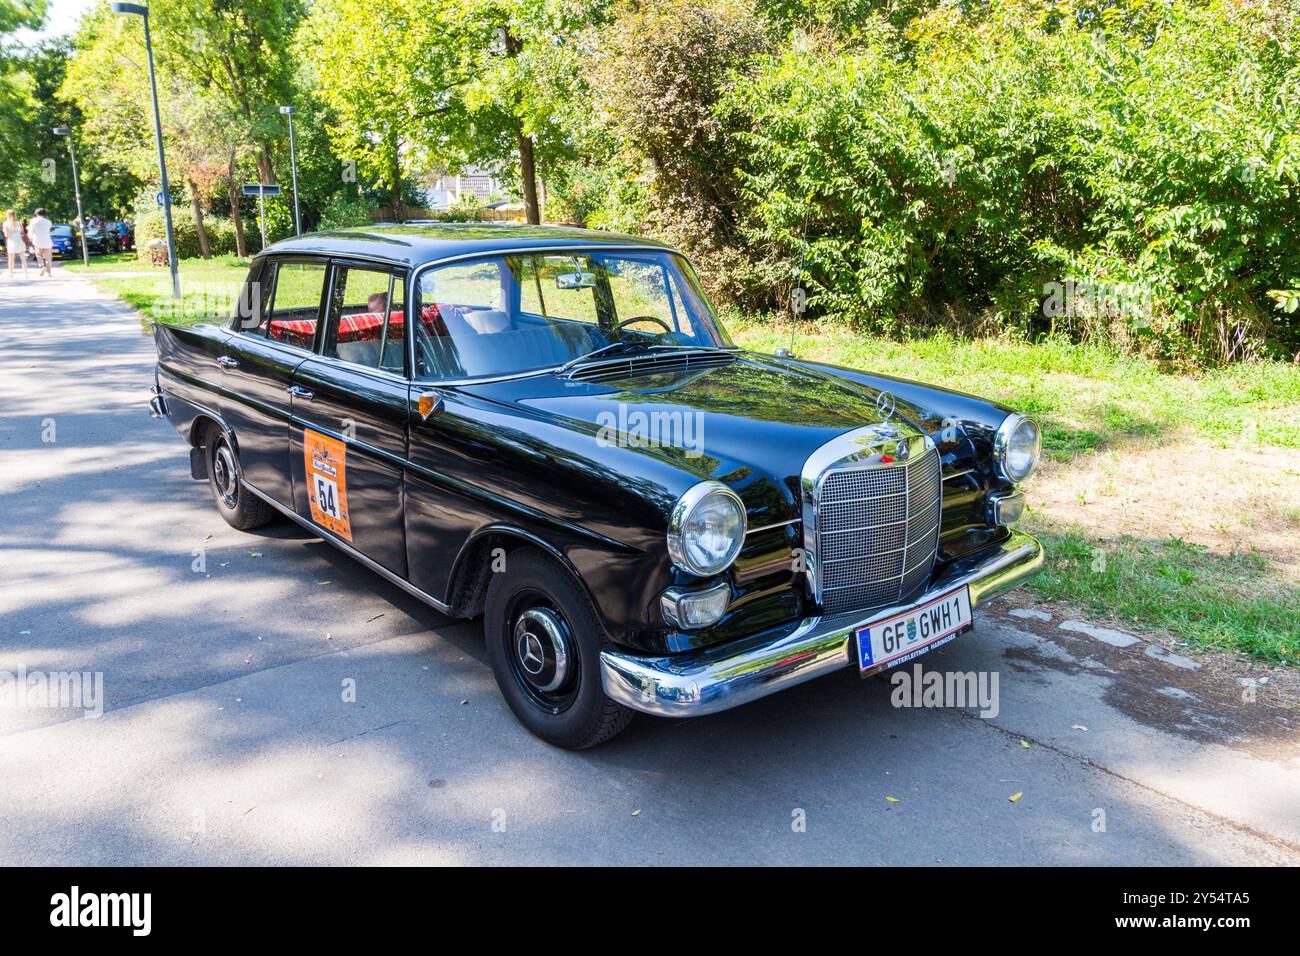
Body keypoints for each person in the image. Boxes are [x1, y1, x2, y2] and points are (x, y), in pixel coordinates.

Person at [28, 208, 53, 277]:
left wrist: (30, 239)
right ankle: (49, 273)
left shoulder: (33, 221)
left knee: (39, 255)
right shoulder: (48, 221)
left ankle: (42, 267)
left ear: (36, 214)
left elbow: (31, 232)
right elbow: (48, 230)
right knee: (48, 258)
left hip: (37, 241)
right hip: (47, 241)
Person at [4, 209, 28, 278]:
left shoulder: (6, 223)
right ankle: (25, 273)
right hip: (20, 241)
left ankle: (11, 273)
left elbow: (6, 235)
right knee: (23, 258)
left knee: (11, 259)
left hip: (11, 241)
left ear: (7, 215)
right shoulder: (19, 223)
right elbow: (22, 232)